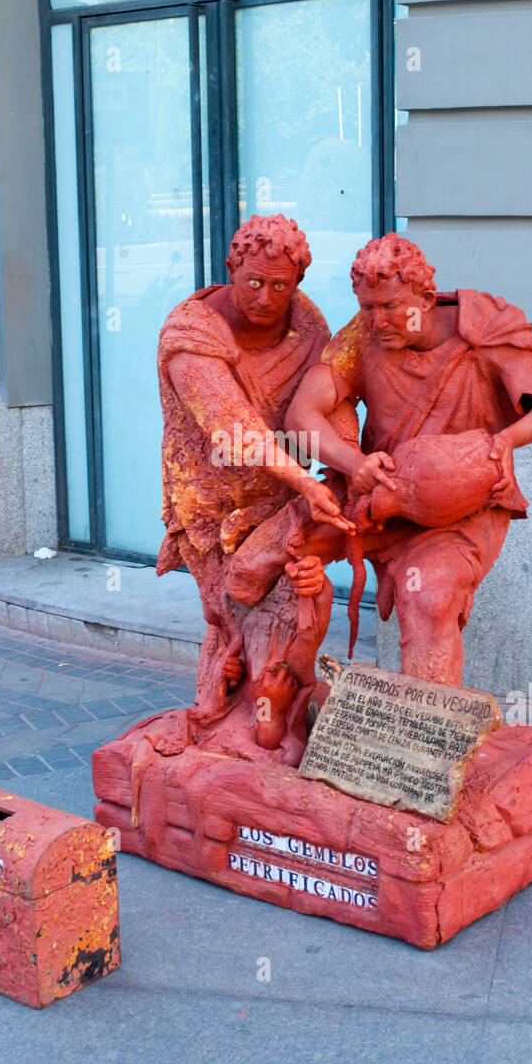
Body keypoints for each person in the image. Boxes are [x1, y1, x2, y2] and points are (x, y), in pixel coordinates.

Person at [266, 232, 532, 685]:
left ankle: (426, 741)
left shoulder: (484, 330)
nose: (377, 322)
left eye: (391, 307)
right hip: (377, 494)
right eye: (367, 308)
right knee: (261, 560)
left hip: (462, 506)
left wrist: (506, 443)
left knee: (428, 600)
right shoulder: (362, 338)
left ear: (427, 298)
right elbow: (302, 415)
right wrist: (353, 462)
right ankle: (282, 705)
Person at [156, 214, 352, 757]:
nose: (267, 297)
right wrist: (306, 483)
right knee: (232, 614)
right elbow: (232, 429)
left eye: (282, 285)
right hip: (212, 510)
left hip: (280, 502)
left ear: (298, 283)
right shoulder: (190, 333)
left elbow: (331, 395)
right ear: (231, 269)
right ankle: (222, 715)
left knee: (290, 603)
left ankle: (274, 718)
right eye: (255, 282)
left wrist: (346, 465)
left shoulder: (306, 325)